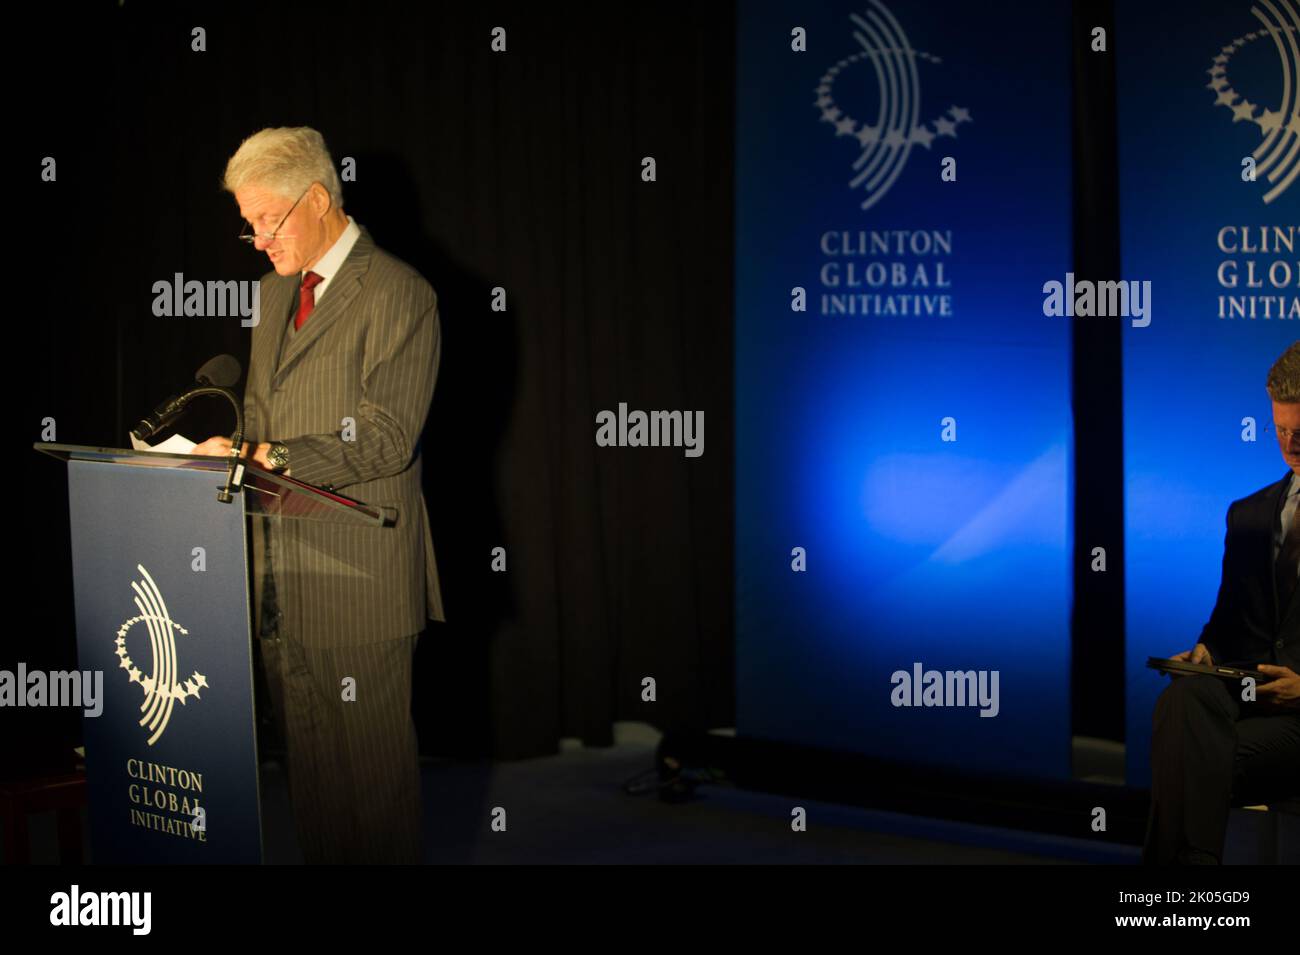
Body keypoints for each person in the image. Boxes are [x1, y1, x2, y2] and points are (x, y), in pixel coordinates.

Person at [192, 126, 444, 863]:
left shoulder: (401, 293)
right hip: (282, 580)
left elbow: (387, 437)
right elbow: (262, 423)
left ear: (319, 198)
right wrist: (225, 460)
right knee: (316, 802)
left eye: (267, 220)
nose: (257, 239)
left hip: (361, 582)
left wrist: (264, 453)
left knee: (374, 800)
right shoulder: (271, 295)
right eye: (248, 224)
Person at [1143, 341, 1300, 864]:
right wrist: (1207, 652)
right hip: (1252, 694)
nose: (1291, 447)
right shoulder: (1248, 515)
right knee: (1182, 700)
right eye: (1280, 431)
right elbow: (1229, 621)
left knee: (1184, 757)